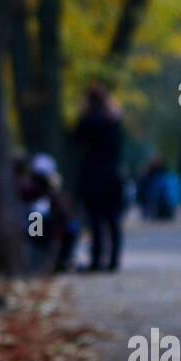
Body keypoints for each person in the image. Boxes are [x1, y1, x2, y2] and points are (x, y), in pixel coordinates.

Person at [72, 85, 124, 271]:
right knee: (112, 220)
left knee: (95, 220)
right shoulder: (114, 121)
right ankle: (113, 259)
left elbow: (76, 141)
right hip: (112, 175)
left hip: (93, 174)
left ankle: (96, 258)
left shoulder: (87, 120)